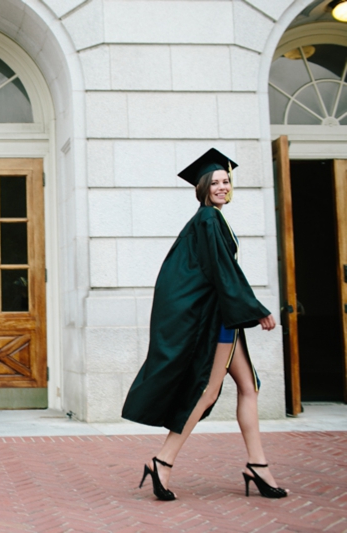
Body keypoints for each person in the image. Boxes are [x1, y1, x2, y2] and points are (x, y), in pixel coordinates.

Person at [121, 148, 288, 501]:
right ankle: (162, 461)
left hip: (224, 317)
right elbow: (222, 271)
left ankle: (257, 464)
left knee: (248, 386)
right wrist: (255, 308)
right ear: (202, 187)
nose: (222, 187)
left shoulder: (210, 220)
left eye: (226, 181)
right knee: (207, 390)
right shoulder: (209, 220)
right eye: (215, 182)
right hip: (219, 320)